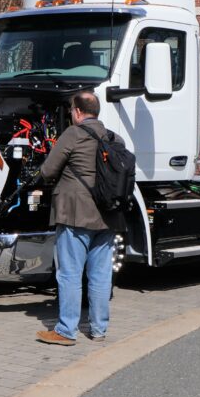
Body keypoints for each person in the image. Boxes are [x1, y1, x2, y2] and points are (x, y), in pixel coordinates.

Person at [35, 90, 126, 345]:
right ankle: (99, 329)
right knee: (100, 275)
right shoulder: (114, 138)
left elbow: (48, 170)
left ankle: (66, 330)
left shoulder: (73, 134)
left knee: (70, 274)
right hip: (108, 216)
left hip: (75, 215)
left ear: (77, 112)